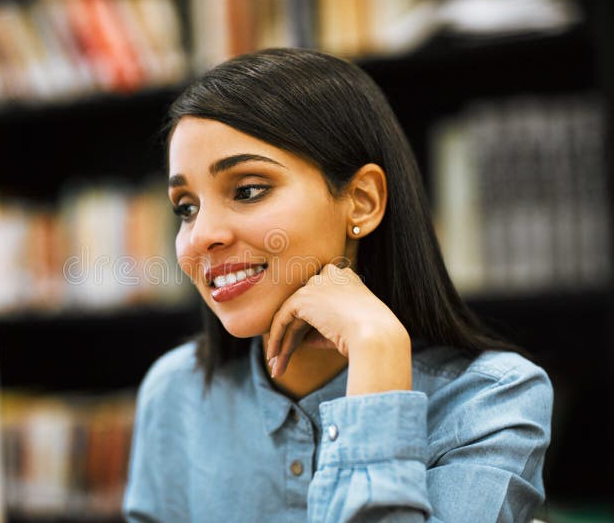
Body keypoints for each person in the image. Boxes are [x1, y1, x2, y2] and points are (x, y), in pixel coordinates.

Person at [122, 48, 552, 522]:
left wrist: (377, 351)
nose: (201, 236)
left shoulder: (492, 401)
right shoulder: (175, 392)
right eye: (186, 207)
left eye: (247, 190)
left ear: (362, 202)